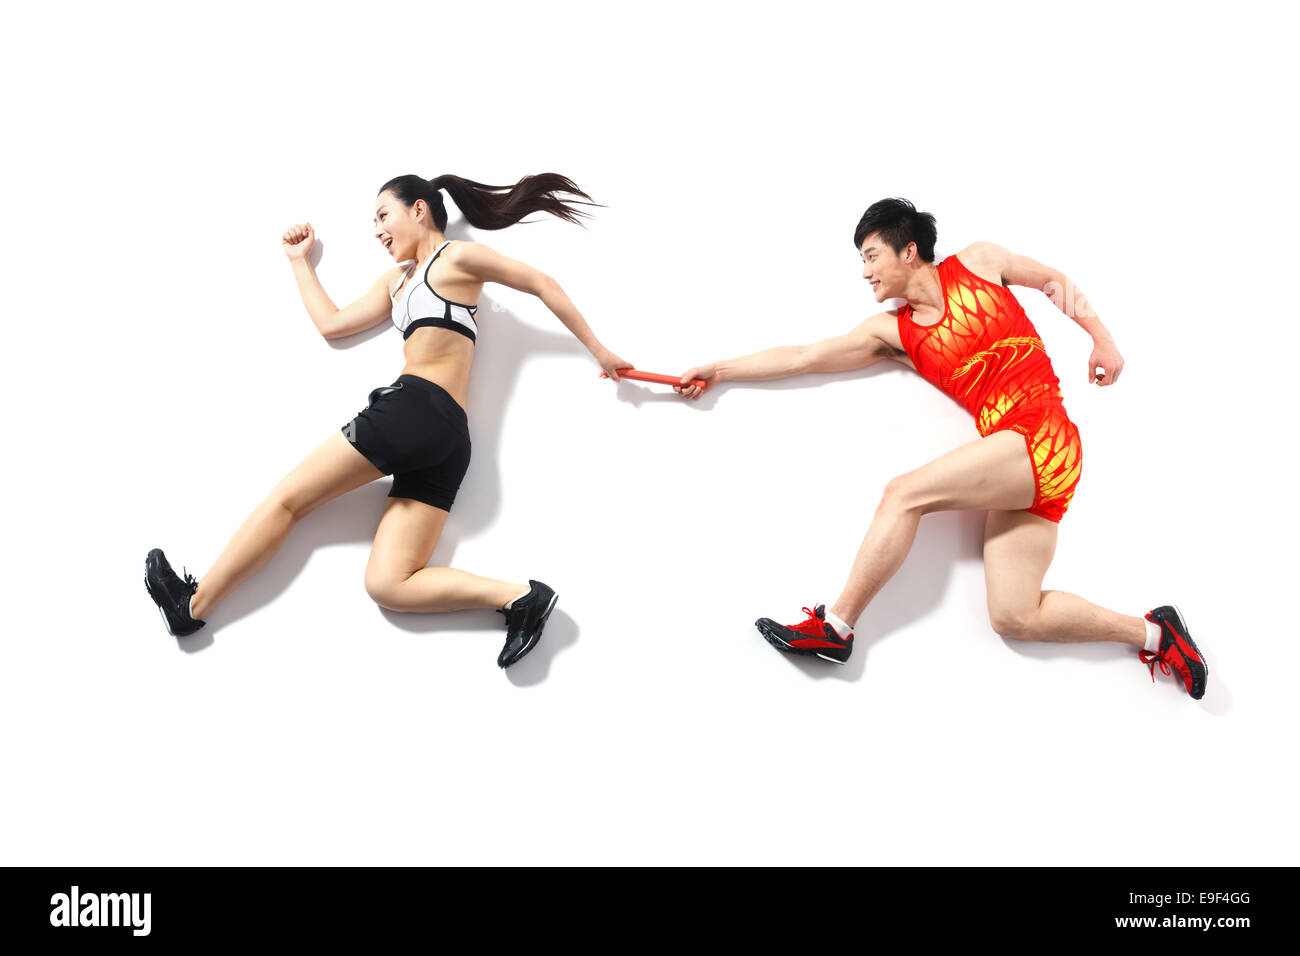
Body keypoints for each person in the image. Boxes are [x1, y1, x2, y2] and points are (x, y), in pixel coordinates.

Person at [674, 198, 1206, 698]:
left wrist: (1103, 339)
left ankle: (836, 627)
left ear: (908, 250)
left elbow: (1051, 281)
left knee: (903, 494)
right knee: (1015, 617)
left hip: (1040, 430)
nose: (865, 272)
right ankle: (1157, 634)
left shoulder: (977, 261)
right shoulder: (894, 333)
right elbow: (803, 356)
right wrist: (719, 369)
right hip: (1019, 461)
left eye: (871, 255)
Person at [145, 173, 631, 668]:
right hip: (448, 437)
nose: (377, 231)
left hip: (414, 407)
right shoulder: (395, 282)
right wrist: (299, 263)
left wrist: (599, 350)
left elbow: (540, 283)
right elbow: (332, 325)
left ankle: (192, 605)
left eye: (383, 215)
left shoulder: (456, 257)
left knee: (288, 501)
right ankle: (521, 599)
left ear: (419, 210)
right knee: (388, 583)